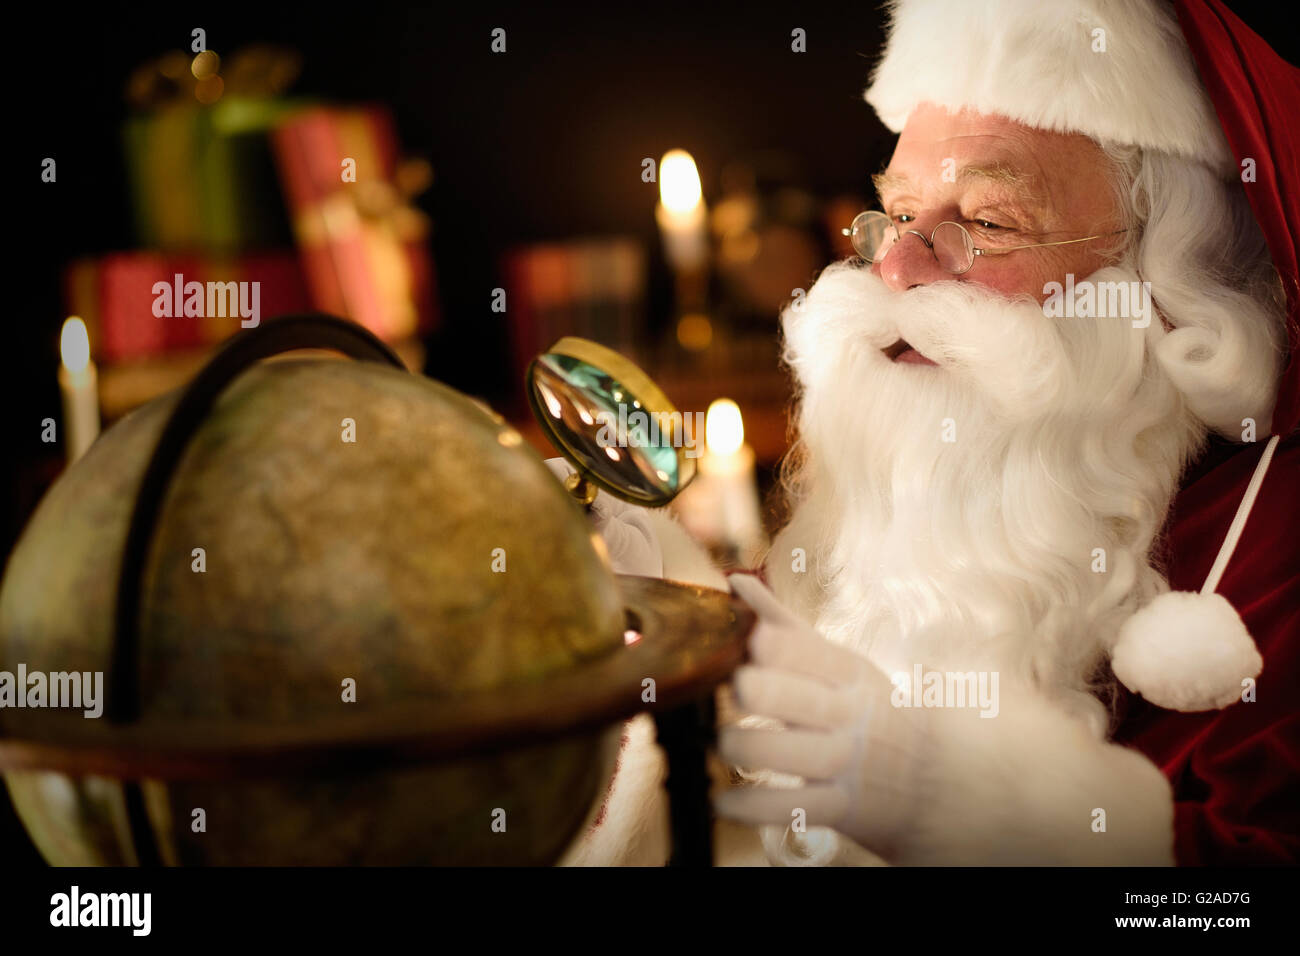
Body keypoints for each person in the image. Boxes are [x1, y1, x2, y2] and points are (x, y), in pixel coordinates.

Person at [557, 0, 1299, 865]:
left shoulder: (1274, 548)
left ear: (1171, 283)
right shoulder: (916, 474)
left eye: (988, 223)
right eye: (898, 214)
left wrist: (997, 820)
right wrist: (668, 609)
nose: (900, 270)